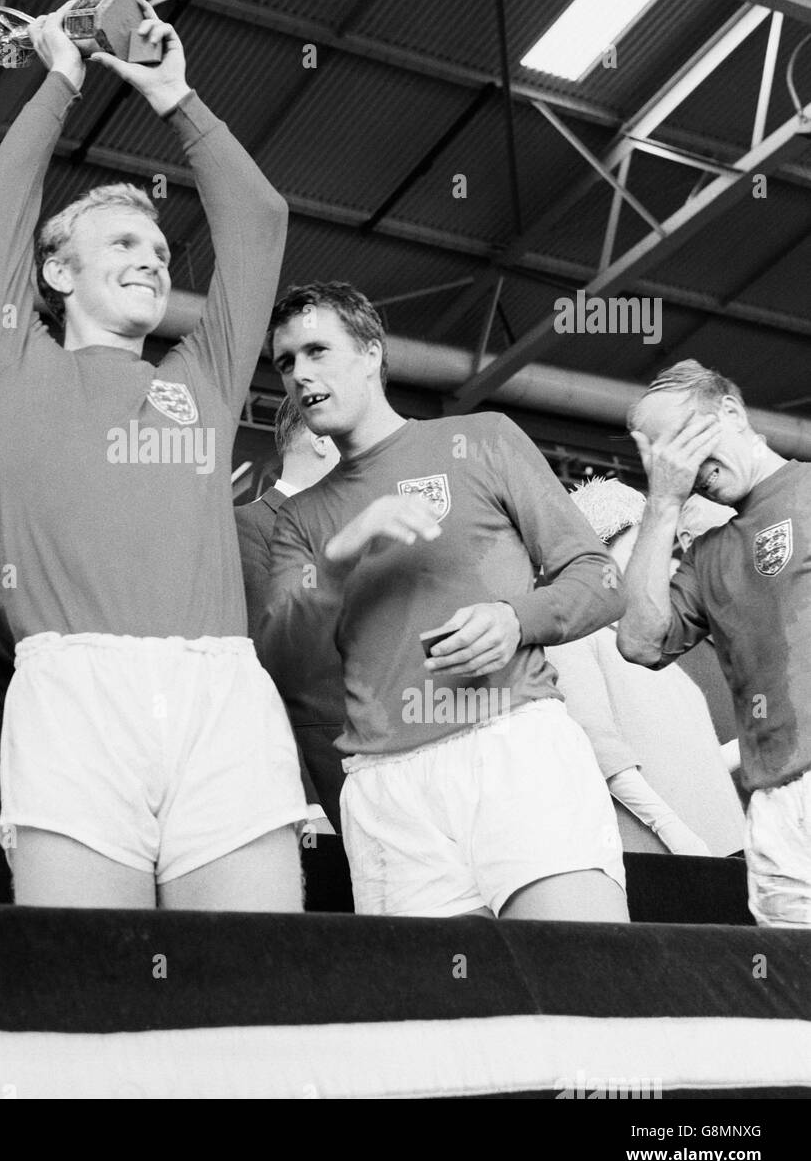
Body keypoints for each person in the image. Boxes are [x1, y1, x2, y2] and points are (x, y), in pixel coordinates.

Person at [0, 0, 307, 910]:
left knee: (255, 988)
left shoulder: (203, 379)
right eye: (123, 242)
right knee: (92, 989)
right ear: (57, 273)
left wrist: (177, 97)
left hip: (220, 696)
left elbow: (260, 220)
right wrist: (60, 82)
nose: (154, 259)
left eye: (160, 248)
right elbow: (1, 206)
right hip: (76, 699)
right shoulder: (10, 365)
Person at [259, 281, 628, 921]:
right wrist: (345, 550)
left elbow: (600, 577)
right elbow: (282, 660)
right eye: (286, 362)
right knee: (449, 1017)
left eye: (317, 351)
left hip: (515, 745)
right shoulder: (300, 520)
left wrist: (518, 619)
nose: (300, 374)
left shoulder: (483, 436)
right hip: (386, 788)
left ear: (372, 352)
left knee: (584, 982)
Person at [619, 359, 811, 925]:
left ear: (730, 412)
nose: (684, 468)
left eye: (685, 442)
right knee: (794, 995)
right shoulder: (706, 556)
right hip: (775, 804)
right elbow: (639, 641)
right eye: (663, 459)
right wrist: (663, 503)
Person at [546, 477, 745, 857]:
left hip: (721, 850)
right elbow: (602, 750)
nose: (653, 560)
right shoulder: (574, 636)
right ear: (597, 553)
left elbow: (690, 764)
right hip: (662, 856)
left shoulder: (645, 645)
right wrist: (669, 828)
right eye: (641, 545)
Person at [236, 397, 343, 831]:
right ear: (321, 439)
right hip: (322, 782)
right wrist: (304, 798)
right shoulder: (249, 528)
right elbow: (266, 672)